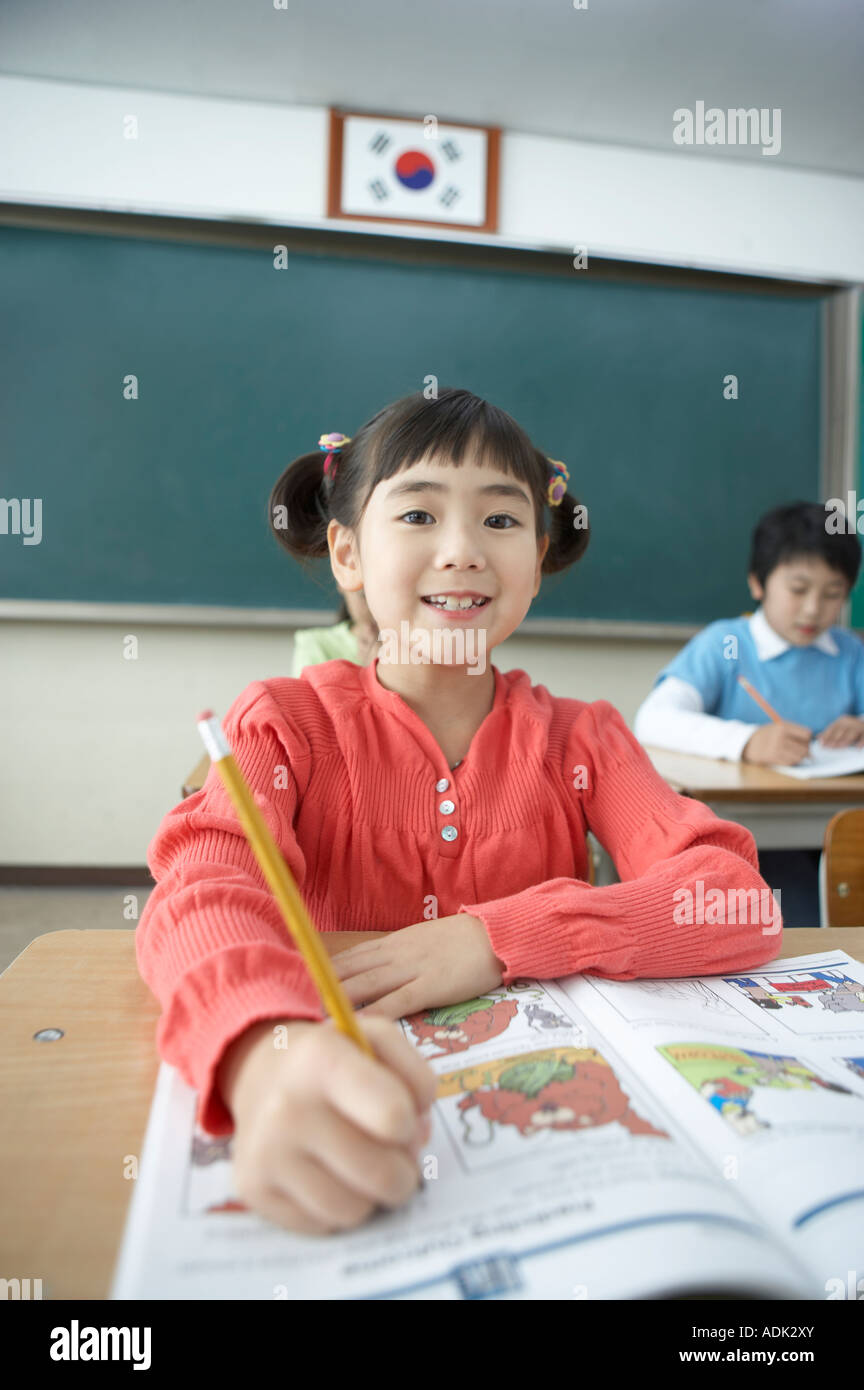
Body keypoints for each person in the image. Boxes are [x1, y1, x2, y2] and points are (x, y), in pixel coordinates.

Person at [136, 388, 779, 1236]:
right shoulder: (285, 724)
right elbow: (198, 897)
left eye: (502, 522)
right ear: (346, 554)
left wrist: (502, 936)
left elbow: (731, 898)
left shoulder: (583, 737)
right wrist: (263, 1052)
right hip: (353, 1091)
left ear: (540, 558)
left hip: (545, 1148)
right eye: (417, 515)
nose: (462, 551)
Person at [633, 501, 864, 925]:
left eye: (832, 594)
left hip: (838, 839)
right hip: (744, 843)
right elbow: (653, 718)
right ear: (758, 583)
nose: (814, 609)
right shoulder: (726, 644)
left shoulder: (850, 652)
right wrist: (748, 741)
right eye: (798, 589)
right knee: (784, 910)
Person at [291, 584, 378, 676]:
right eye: (364, 595)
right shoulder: (314, 643)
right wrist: (375, 671)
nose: (375, 606)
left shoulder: (393, 645)